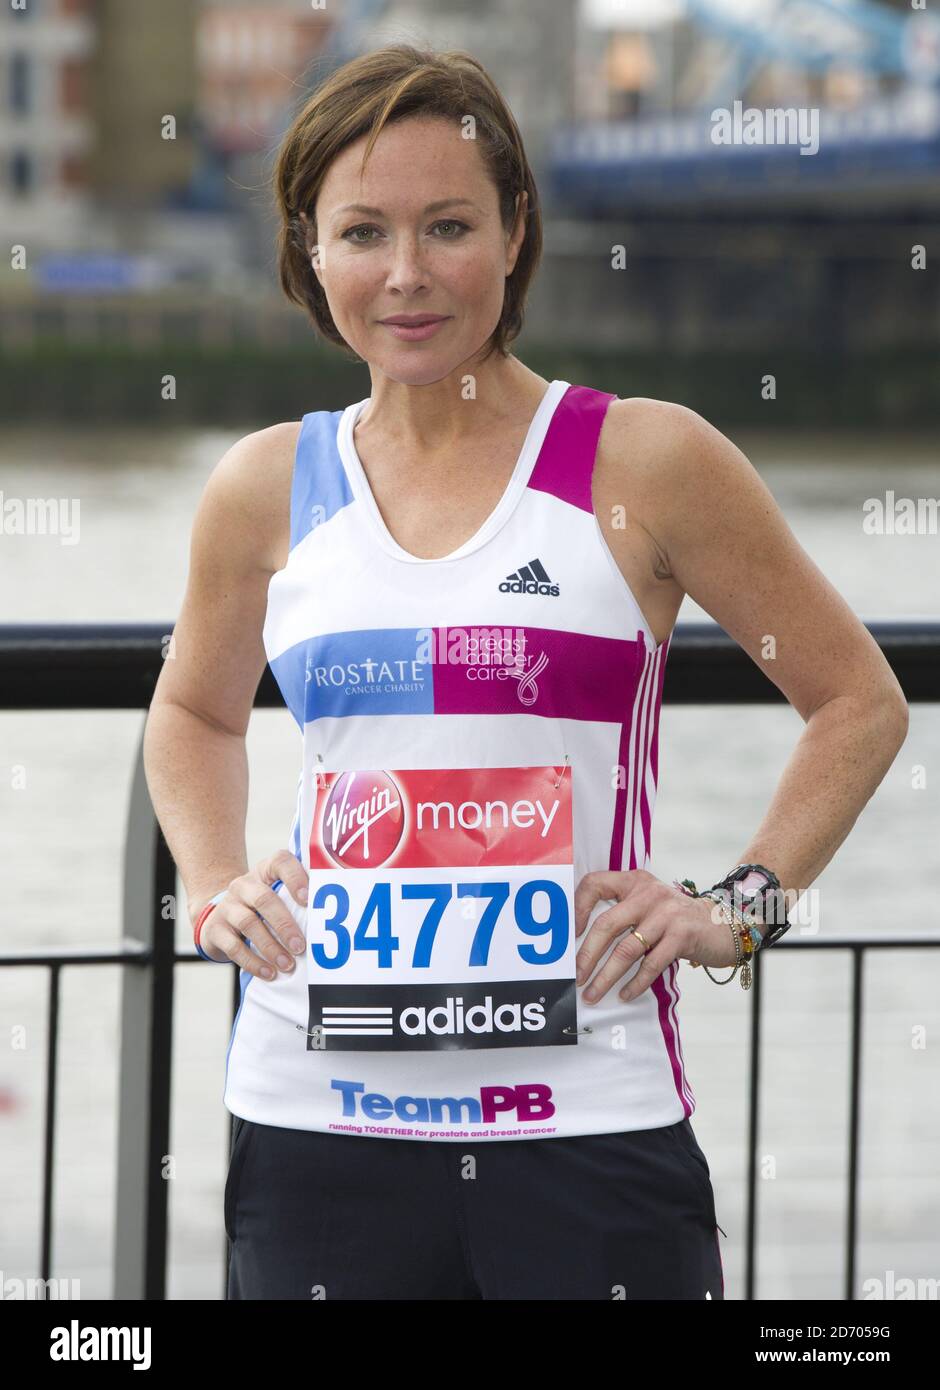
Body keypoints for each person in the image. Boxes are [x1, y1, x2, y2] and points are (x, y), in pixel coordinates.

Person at [143, 44, 909, 1301]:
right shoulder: (262, 487)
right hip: (316, 1114)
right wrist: (217, 880)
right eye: (362, 232)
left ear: (514, 234)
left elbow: (855, 702)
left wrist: (737, 913)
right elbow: (192, 709)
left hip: (584, 1121)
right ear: (308, 253)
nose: (405, 274)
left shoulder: (645, 463)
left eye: (448, 225)